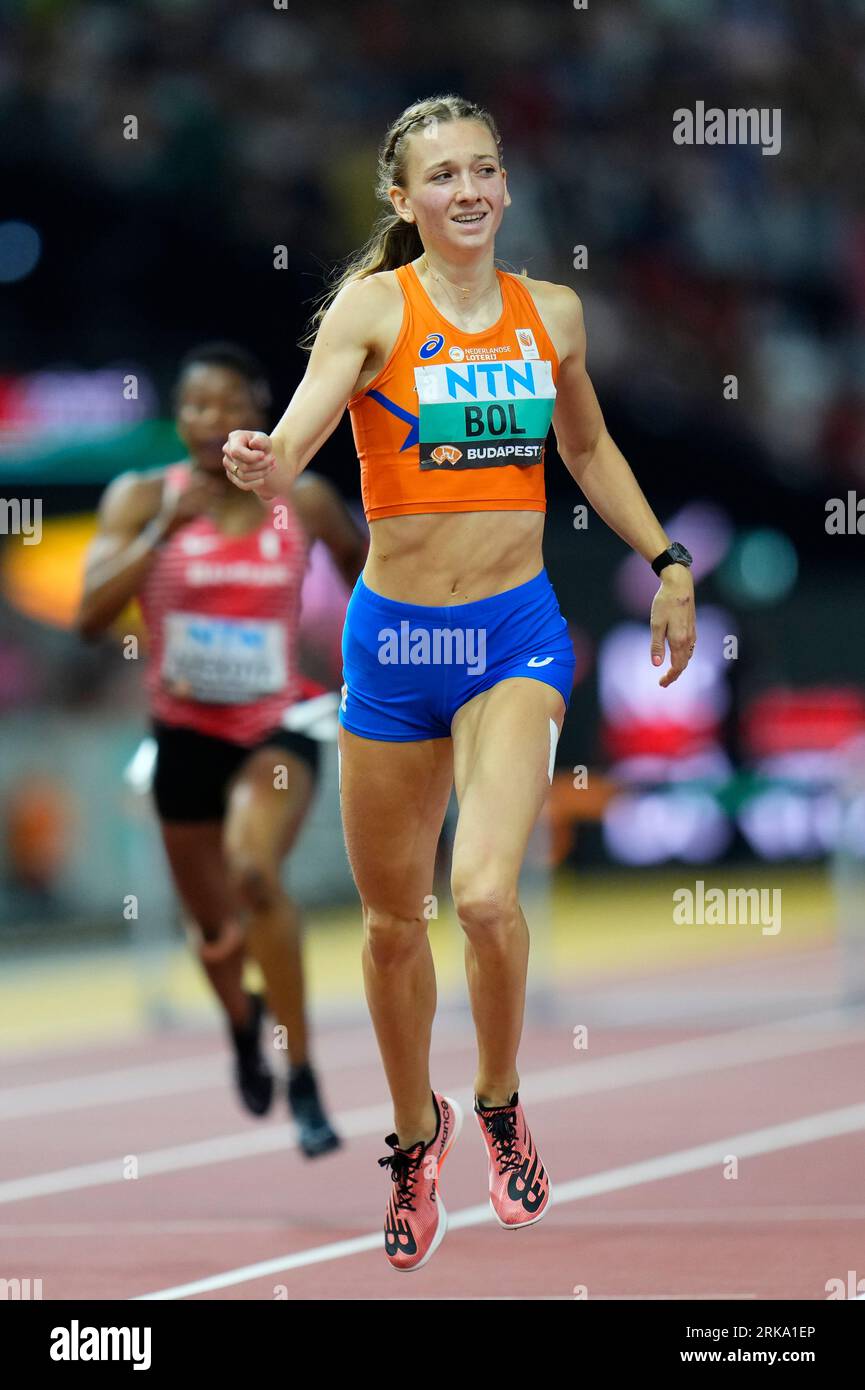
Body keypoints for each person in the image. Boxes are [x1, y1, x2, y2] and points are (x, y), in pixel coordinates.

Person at [222, 95, 697, 1268]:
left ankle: (496, 1101)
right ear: (402, 200)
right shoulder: (374, 309)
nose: (469, 191)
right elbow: (298, 437)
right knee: (393, 923)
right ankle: (413, 1135)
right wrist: (264, 462)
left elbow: (585, 449)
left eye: (485, 170)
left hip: (512, 643)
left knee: (482, 897)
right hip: (393, 652)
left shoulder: (555, 317)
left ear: (506, 186)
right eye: (442, 177)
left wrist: (668, 560)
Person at [78, 342, 368, 1157]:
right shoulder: (140, 497)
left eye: (229, 405)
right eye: (195, 406)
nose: (212, 422)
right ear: (178, 417)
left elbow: (368, 575)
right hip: (184, 734)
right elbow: (90, 618)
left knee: (253, 872)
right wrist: (161, 535)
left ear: (260, 412)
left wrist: (383, 664)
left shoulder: (302, 500)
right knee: (212, 932)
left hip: (278, 725)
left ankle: (304, 1075)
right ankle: (244, 1026)